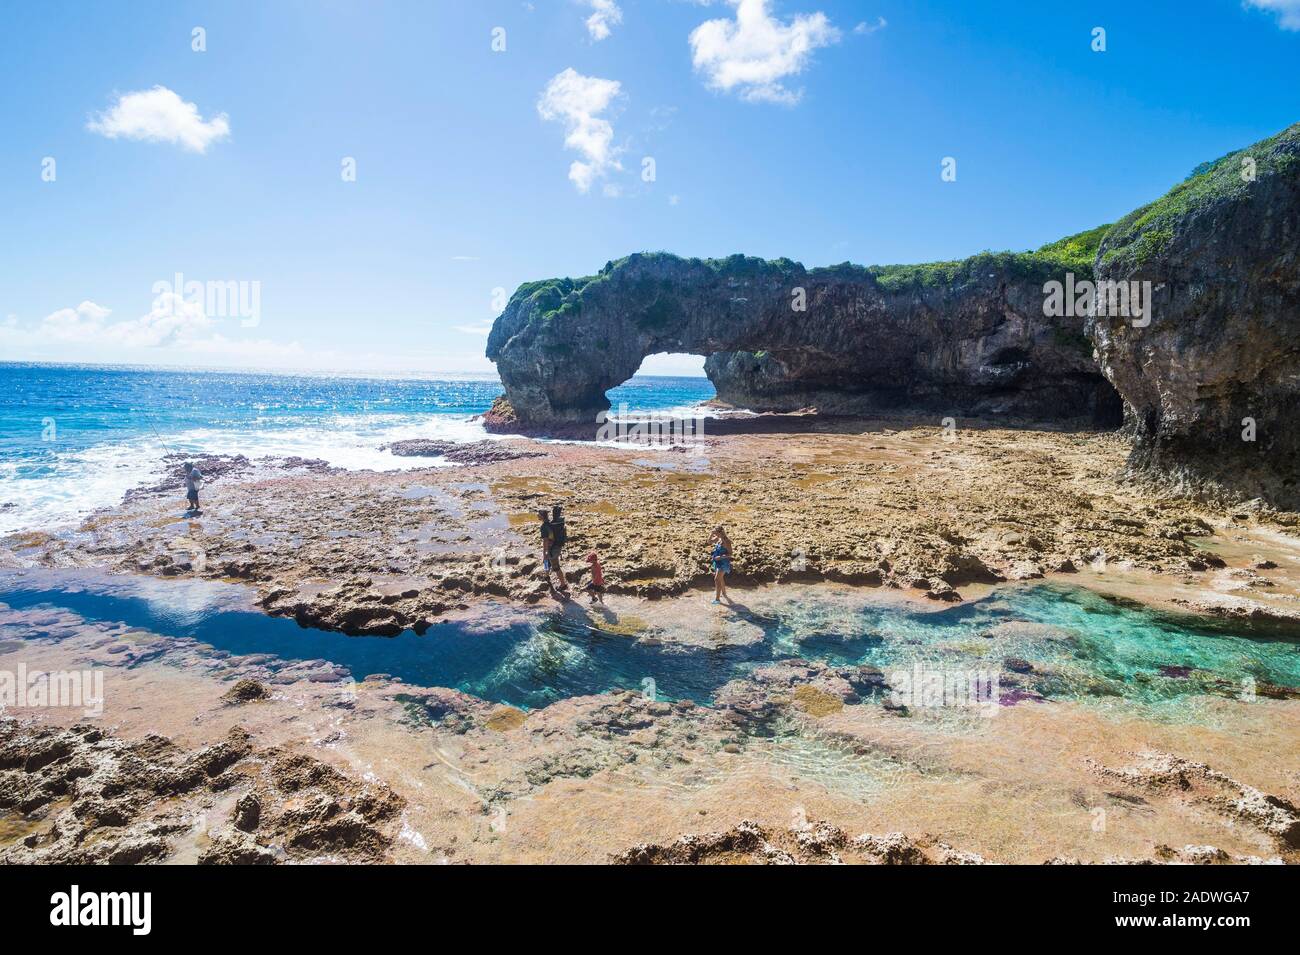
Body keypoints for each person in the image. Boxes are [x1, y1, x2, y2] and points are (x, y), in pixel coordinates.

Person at [709, 525, 732, 603]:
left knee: (717, 579)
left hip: (723, 563)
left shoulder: (726, 541)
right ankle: (724, 593)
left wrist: (720, 557)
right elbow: (709, 541)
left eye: (716, 533)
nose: (715, 535)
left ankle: (717, 599)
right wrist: (711, 534)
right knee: (720, 578)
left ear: (720, 533)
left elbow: (730, 554)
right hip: (717, 561)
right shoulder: (718, 538)